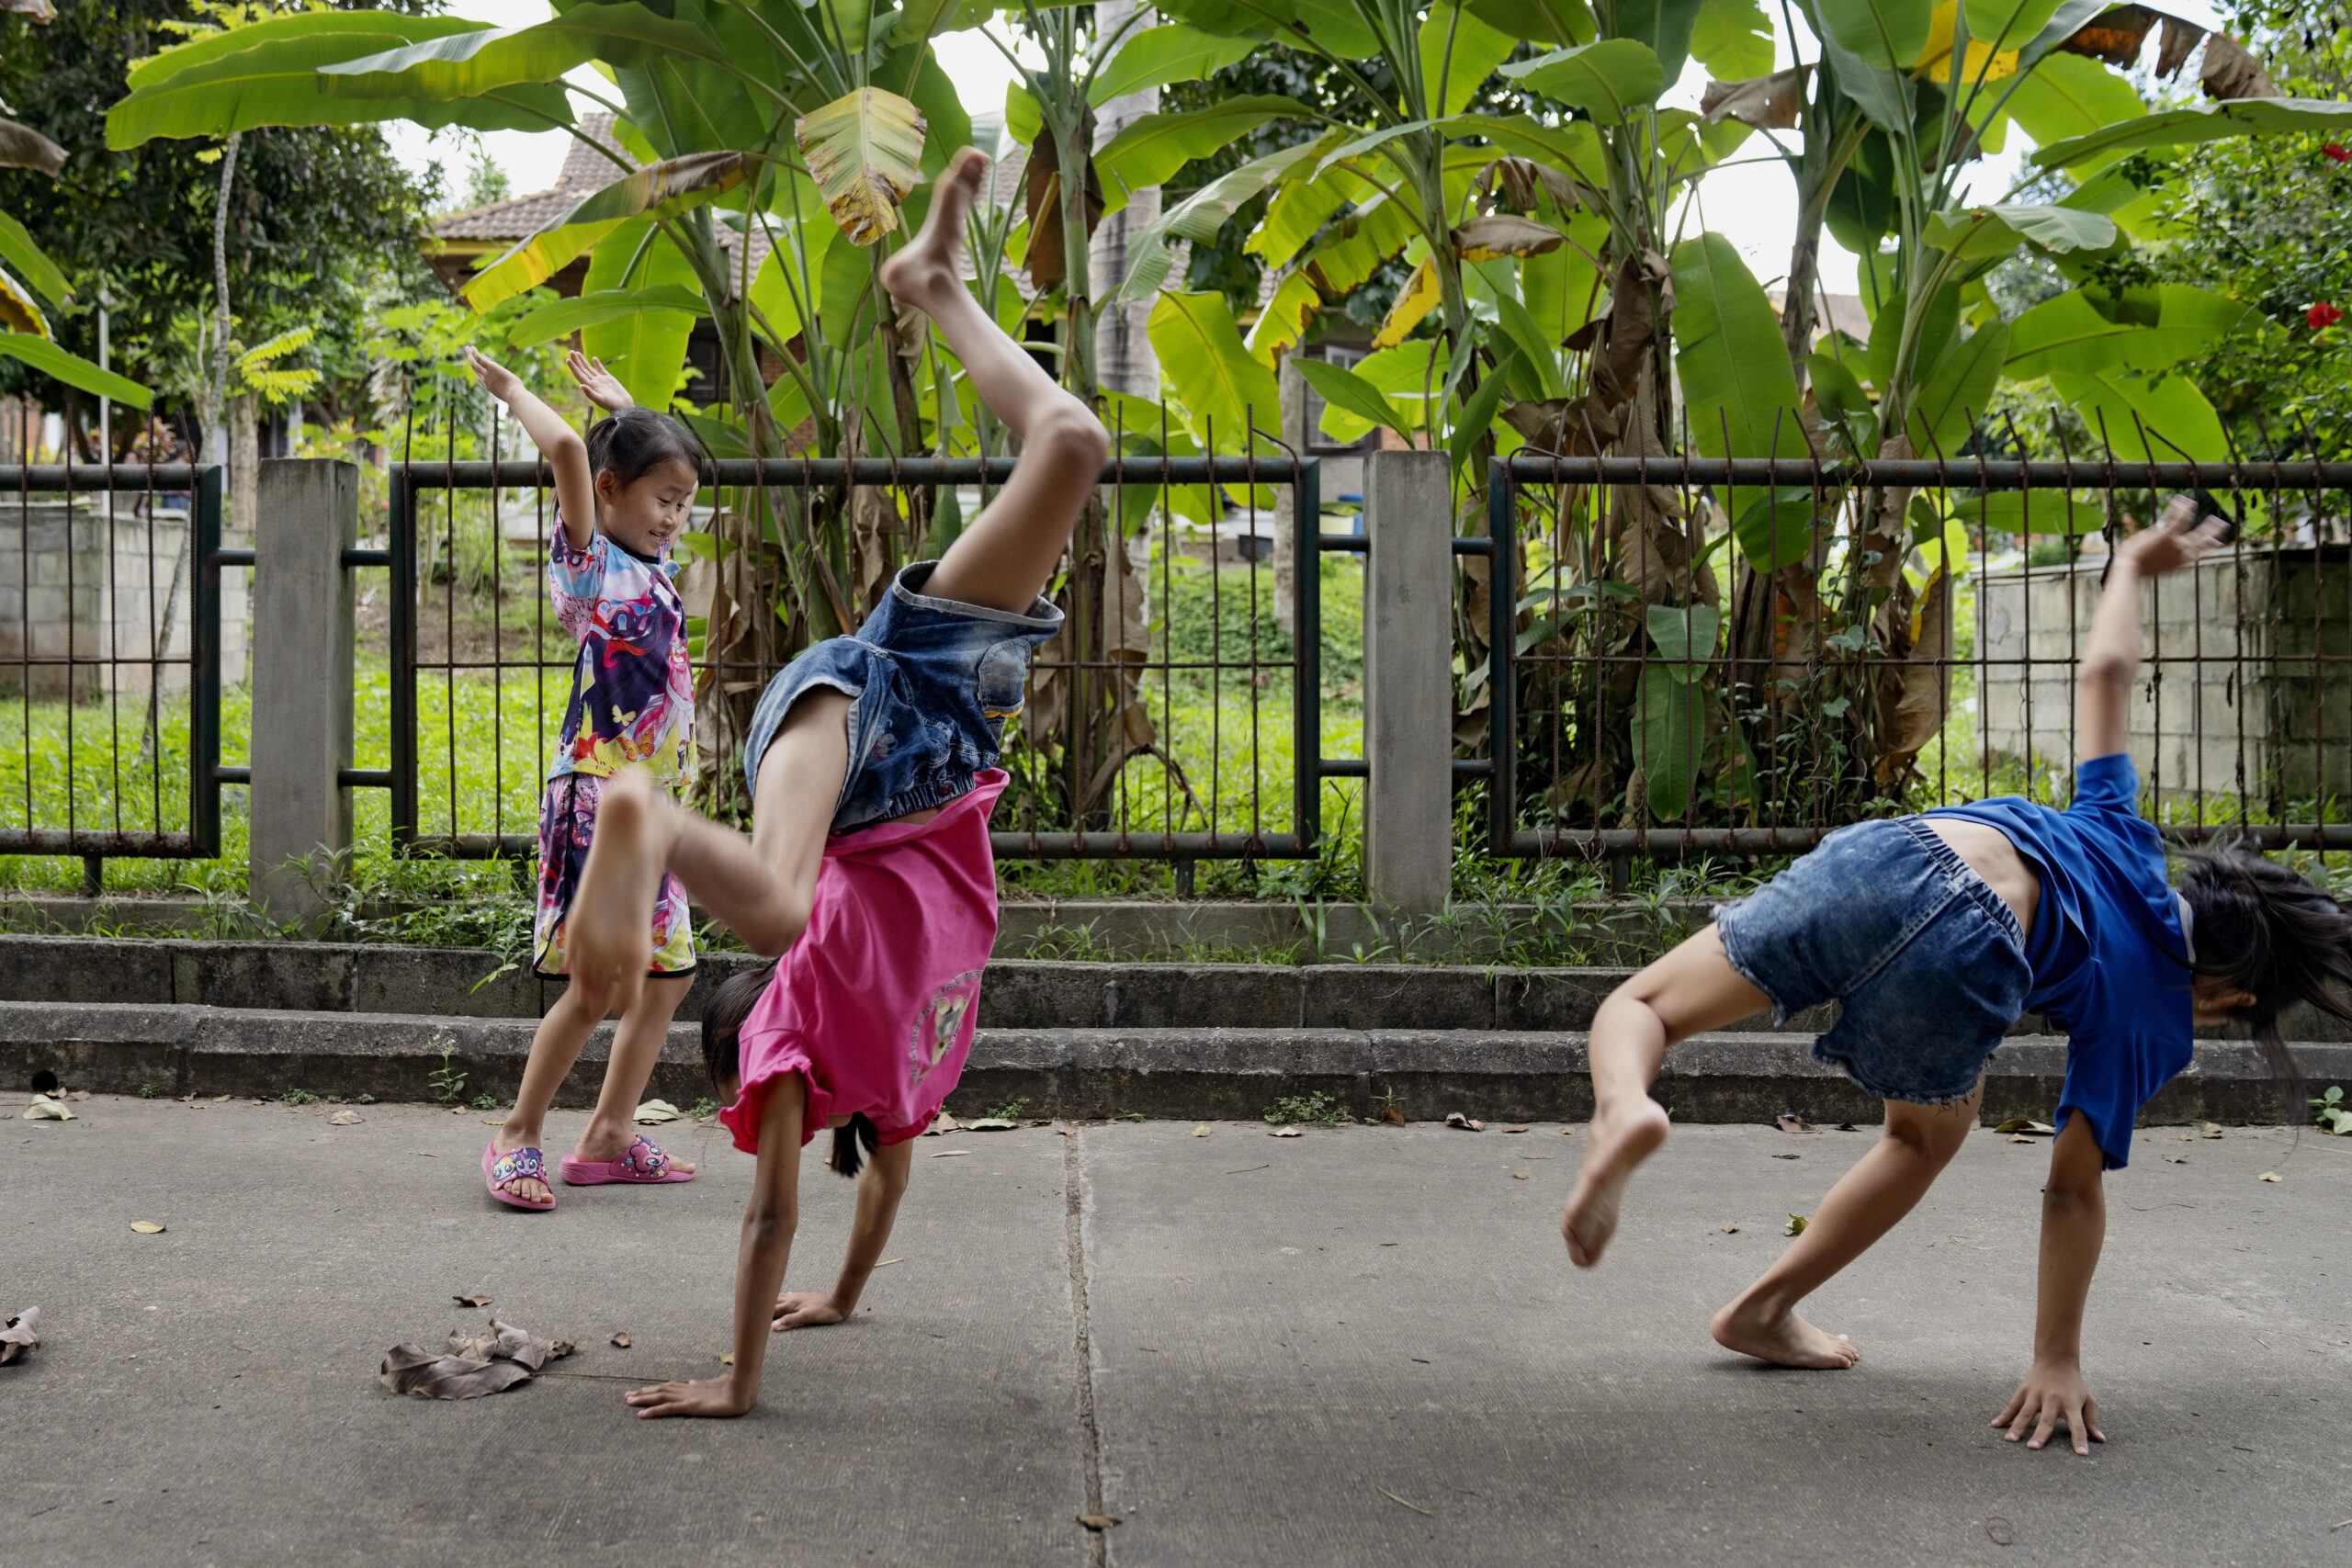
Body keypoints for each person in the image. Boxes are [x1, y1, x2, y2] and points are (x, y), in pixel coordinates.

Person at [1559, 495, 2352, 1455]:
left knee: (1640, 1005)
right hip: (1976, 943)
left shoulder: (2123, 834)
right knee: (1922, 1137)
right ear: (2233, 993)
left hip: (1903, 850)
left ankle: (1622, 1110)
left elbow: (2104, 671)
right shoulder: (2156, 1012)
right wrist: (2055, 1357)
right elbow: (2070, 1190)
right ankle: (1762, 1306)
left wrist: (2131, 571)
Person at [535, 146, 1105, 1417]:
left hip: (841, 733)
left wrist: (741, 1378)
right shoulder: (895, 1080)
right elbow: (883, 1190)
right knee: (1070, 439)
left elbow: (771, 1216)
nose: (766, 1112)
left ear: (750, 1063)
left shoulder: (789, 1046)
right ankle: (935, 281)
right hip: (943, 712)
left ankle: (643, 814)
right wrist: (845, 1300)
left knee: (786, 909)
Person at [465, 345, 707, 1210]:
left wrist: (628, 405)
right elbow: (573, 453)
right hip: (597, 803)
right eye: (663, 501)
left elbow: (620, 464)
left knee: (671, 974)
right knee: (597, 984)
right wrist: (518, 391)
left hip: (653, 809)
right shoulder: (590, 567)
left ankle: (608, 1133)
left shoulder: (651, 564)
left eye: (684, 502)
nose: (675, 516)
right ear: (609, 492)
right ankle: (515, 1135)